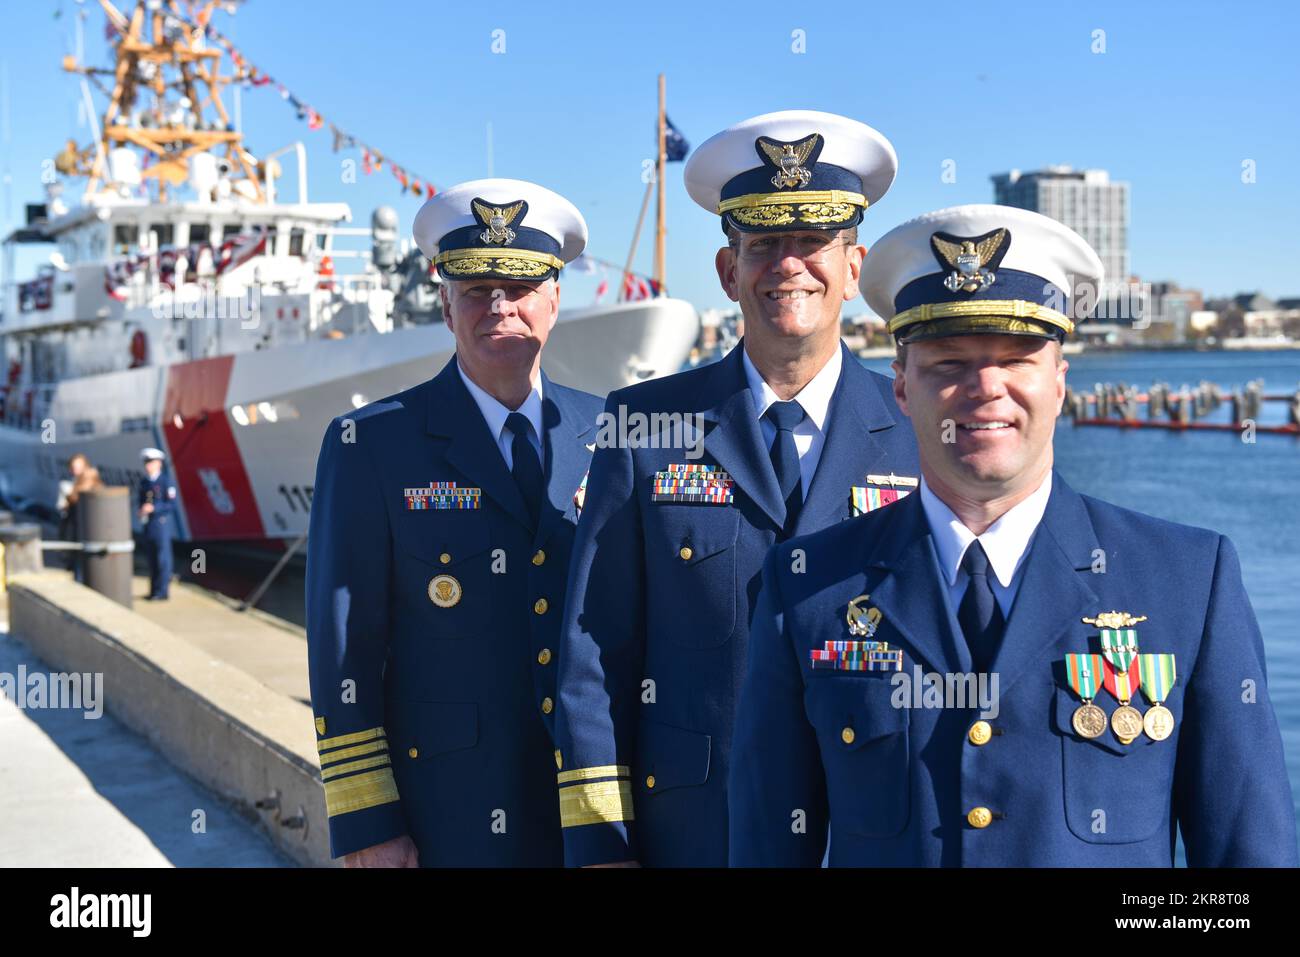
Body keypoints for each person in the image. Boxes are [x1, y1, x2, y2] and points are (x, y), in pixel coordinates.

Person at [728, 204, 1299, 866]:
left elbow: (1244, 859)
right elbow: (769, 843)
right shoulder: (809, 589)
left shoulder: (1188, 582)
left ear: (1059, 382)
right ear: (903, 388)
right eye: (947, 362)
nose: (985, 388)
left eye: (1017, 359)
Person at [553, 111, 920, 867]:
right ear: (728, 271)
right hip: (690, 834)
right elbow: (592, 648)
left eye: (814, 242)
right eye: (763, 245)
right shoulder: (643, 426)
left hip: (870, 838)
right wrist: (599, 842)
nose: (789, 265)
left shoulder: (922, 434)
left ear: (853, 269)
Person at [306, 179, 603, 867]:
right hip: (448, 812)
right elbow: (343, 647)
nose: (499, 305)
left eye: (521, 285)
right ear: (445, 304)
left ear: (555, 298)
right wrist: (367, 823)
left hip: (592, 813)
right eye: (475, 289)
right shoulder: (372, 445)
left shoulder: (610, 433)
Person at [137, 448, 176, 600]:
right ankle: (153, 590)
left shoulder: (165, 481)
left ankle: (162, 591)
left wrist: (154, 508)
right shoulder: (145, 482)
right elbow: (142, 500)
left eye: (151, 462)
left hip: (161, 524)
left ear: (159, 463)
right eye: (146, 462)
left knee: (163, 559)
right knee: (152, 559)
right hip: (149, 525)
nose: (148, 465)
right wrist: (142, 510)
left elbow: (171, 505)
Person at [58, 453, 102, 575]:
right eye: (73, 468)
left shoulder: (87, 479)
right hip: (77, 524)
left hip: (83, 526)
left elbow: (77, 498)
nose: (75, 471)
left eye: (78, 467)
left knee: (80, 558)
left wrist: (68, 495)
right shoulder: (76, 481)